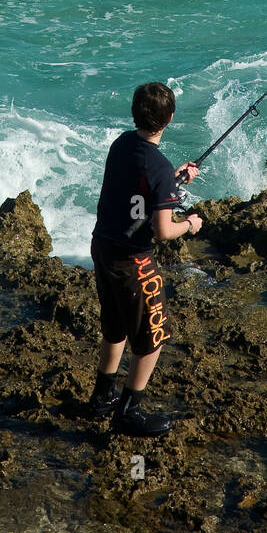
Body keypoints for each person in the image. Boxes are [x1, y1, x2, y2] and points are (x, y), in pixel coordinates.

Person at [89, 81, 202, 436]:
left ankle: (102, 396)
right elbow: (163, 231)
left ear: (135, 114)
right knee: (154, 335)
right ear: (169, 118)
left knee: (116, 326)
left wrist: (172, 182)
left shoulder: (122, 143)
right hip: (132, 261)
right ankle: (128, 412)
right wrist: (191, 224)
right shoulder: (159, 167)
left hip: (103, 247)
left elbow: (137, 187)